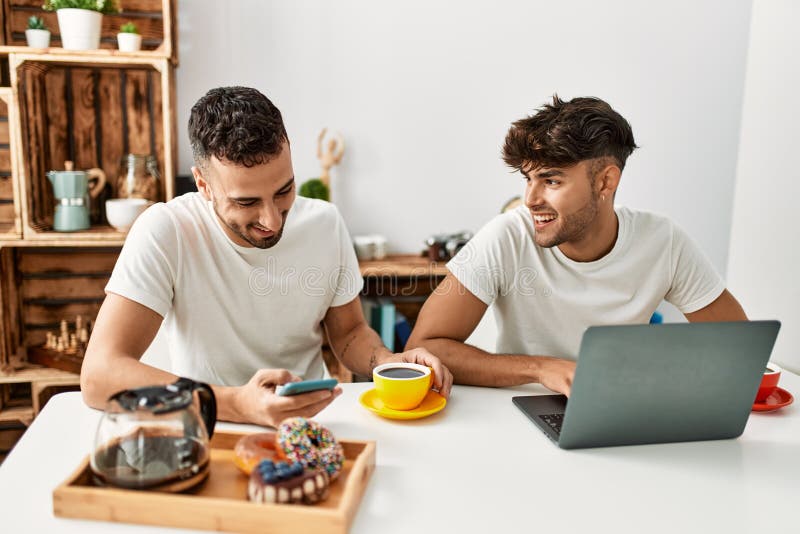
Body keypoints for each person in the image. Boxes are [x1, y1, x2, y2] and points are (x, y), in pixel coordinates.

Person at [81, 86, 453, 427]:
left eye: (284, 190)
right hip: (211, 425)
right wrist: (237, 404)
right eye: (246, 202)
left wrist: (385, 362)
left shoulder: (325, 223)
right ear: (203, 185)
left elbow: (351, 334)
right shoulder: (165, 231)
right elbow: (99, 375)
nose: (272, 220)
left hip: (309, 424)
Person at [407, 95, 747, 396]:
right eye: (529, 179)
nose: (530, 199)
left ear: (605, 181)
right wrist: (543, 369)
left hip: (615, 406)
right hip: (515, 410)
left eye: (551, 180)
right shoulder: (506, 236)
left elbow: (737, 346)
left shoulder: (662, 241)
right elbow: (424, 346)